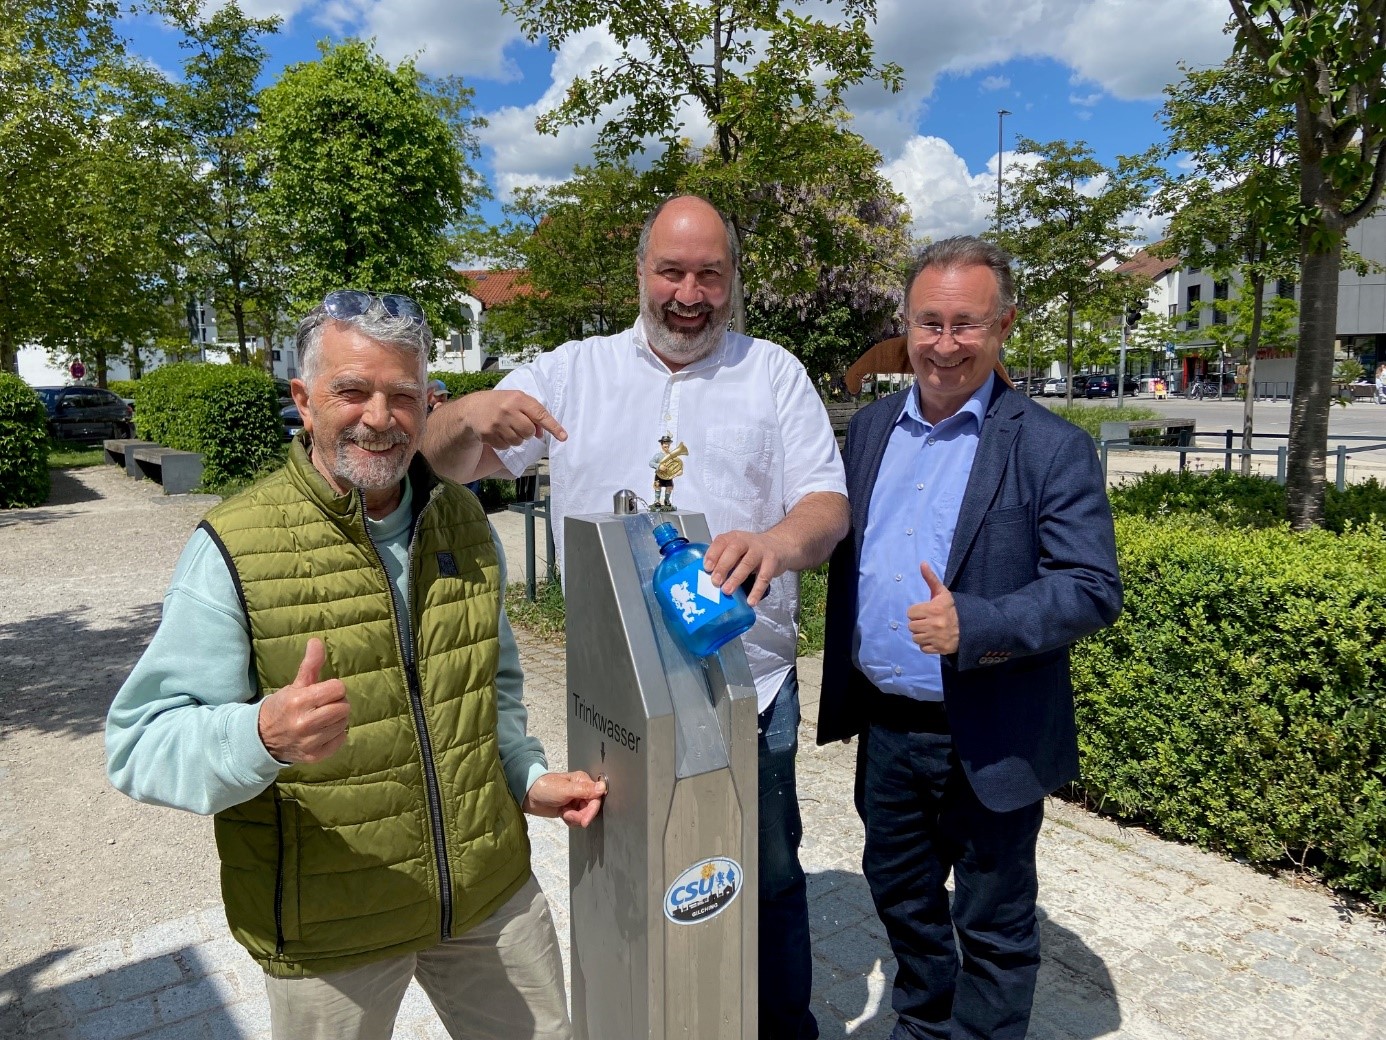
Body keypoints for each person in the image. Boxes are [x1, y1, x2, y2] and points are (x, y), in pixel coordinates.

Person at [106, 289, 606, 1040]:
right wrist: (261, 738)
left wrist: (526, 777)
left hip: (486, 893)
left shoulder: (462, 519)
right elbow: (139, 744)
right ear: (304, 402)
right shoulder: (235, 546)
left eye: (402, 395)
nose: (379, 416)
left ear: (428, 404)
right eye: (352, 390)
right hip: (328, 929)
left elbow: (491, 687)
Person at [423, 195, 849, 1040]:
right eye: (672, 271)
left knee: (759, 878)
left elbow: (827, 505)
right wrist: (459, 415)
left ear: (732, 279)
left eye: (710, 274)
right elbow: (449, 460)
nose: (689, 292)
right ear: (640, 273)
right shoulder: (568, 371)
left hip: (746, 687)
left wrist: (778, 541)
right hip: (613, 696)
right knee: (629, 871)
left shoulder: (773, 372)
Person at [817, 237, 1123, 1040]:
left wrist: (975, 624)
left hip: (990, 731)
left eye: (966, 325)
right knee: (900, 894)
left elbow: (1092, 588)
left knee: (993, 921)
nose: (944, 344)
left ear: (1003, 328)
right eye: (929, 323)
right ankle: (923, 1022)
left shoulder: (1052, 445)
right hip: (889, 726)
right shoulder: (871, 429)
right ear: (906, 325)